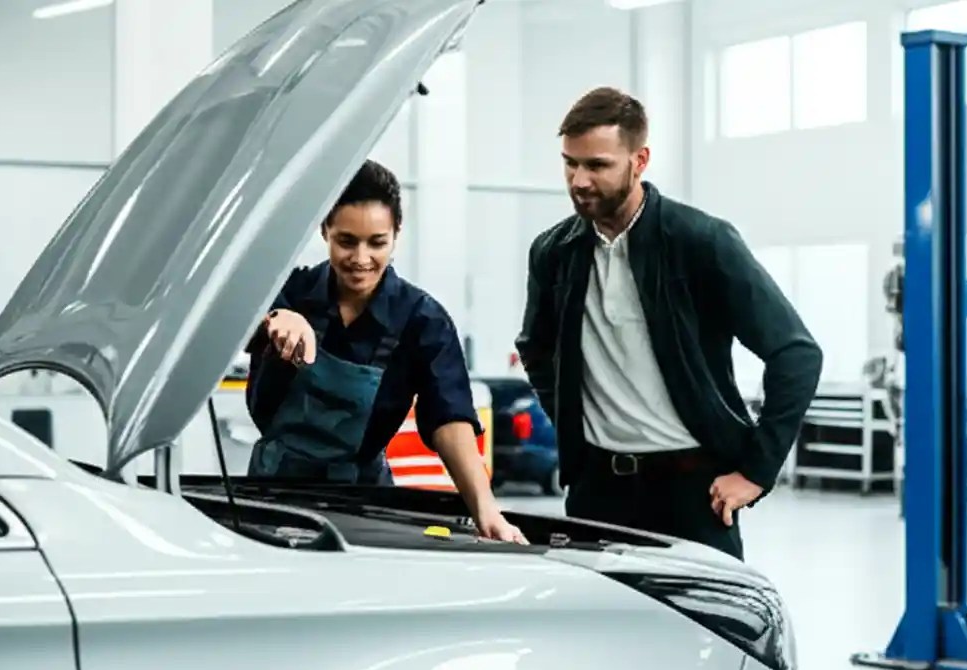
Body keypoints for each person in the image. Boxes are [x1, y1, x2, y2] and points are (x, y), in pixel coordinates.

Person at [514, 87, 822, 560]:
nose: (578, 180)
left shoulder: (702, 242)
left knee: (708, 629)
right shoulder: (554, 252)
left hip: (693, 492)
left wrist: (757, 471)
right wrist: (575, 425)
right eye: (569, 163)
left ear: (639, 161)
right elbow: (537, 349)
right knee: (600, 630)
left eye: (597, 165)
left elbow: (796, 353)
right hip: (597, 493)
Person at [245, 159, 526, 544]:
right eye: (346, 241)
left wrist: (485, 509)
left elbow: (450, 420)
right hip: (270, 495)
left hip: (362, 502)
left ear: (396, 234)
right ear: (324, 229)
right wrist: (272, 317)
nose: (361, 259)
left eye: (376, 242)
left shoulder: (422, 320)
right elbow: (224, 325)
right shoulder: (287, 291)